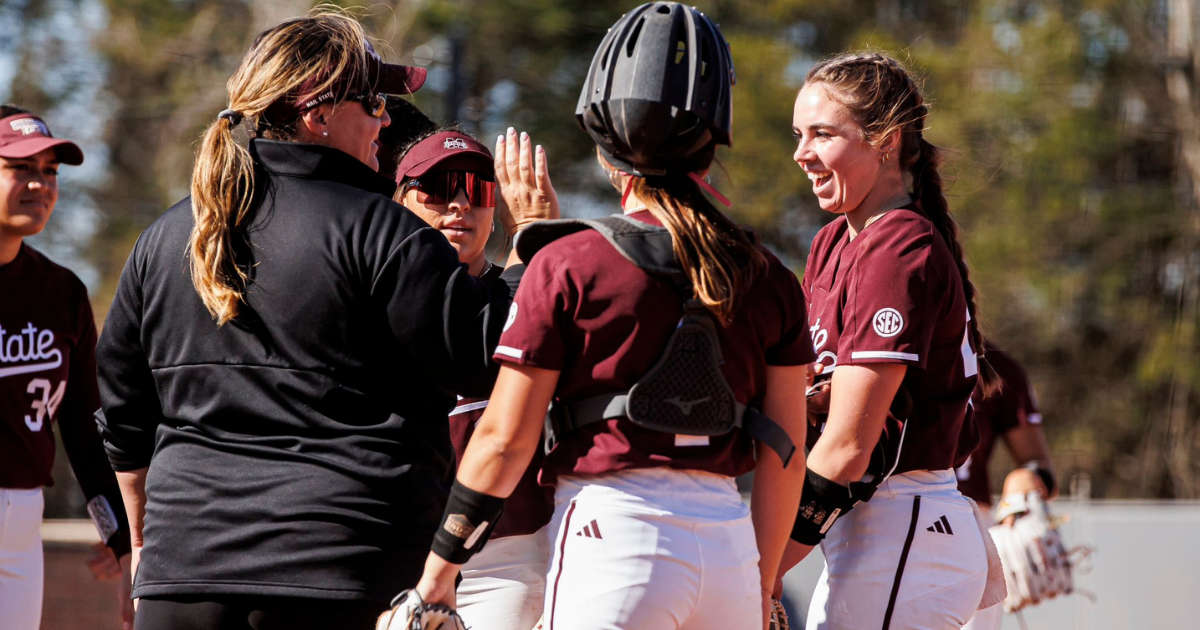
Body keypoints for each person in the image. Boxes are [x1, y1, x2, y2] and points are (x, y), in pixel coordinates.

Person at [93, 10, 556, 630]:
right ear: (318, 113)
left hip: (184, 581)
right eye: (373, 102)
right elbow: (488, 359)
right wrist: (533, 244)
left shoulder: (171, 234)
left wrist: (149, 549)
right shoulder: (379, 231)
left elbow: (122, 411)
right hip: (341, 576)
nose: (385, 120)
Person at [400, 4, 812, 630]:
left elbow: (505, 440)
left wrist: (436, 579)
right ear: (713, 140)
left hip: (614, 541)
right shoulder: (771, 276)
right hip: (728, 546)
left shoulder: (569, 262)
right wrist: (761, 581)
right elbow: (786, 452)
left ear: (604, 139)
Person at [780, 52, 1006, 630]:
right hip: (875, 536)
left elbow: (852, 446)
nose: (802, 153)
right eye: (798, 134)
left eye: (823, 134)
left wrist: (760, 570)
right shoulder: (832, 242)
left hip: (906, 526)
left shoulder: (898, 244)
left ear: (885, 140)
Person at [389, 113, 553, 630]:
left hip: (506, 557)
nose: (459, 204)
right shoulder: (369, 293)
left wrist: (536, 240)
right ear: (400, 201)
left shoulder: (532, 288)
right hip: (397, 553)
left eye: (478, 188)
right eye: (438, 188)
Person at [0, 105, 134, 630]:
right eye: (20, 167)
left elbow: (83, 428)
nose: (40, 184)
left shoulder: (62, 293)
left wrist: (120, 537)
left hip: (20, 526)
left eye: (49, 171)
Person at [957, 343, 1056, 630]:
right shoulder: (882, 343)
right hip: (888, 521)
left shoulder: (995, 365)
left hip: (971, 528)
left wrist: (1022, 481)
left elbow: (1039, 464)